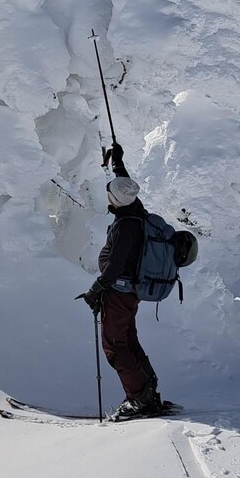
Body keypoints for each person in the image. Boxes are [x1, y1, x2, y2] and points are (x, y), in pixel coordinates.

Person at [77, 144, 163, 420]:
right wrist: (118, 163)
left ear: (114, 199)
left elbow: (115, 264)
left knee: (115, 346)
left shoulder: (127, 224)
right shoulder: (135, 210)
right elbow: (125, 188)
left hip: (119, 292)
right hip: (128, 291)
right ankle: (147, 392)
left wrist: (97, 289)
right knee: (127, 340)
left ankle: (138, 399)